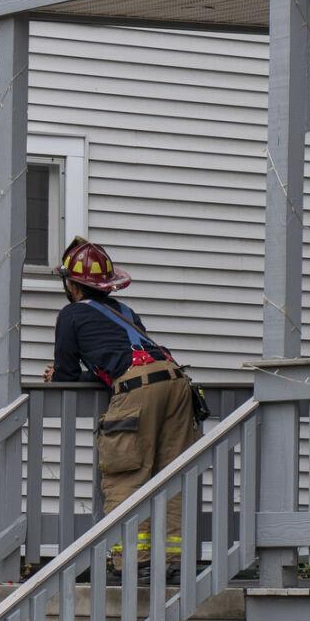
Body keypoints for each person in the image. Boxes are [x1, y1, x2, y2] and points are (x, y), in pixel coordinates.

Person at [43, 237, 197, 566]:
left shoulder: (71, 315)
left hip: (137, 392)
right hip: (176, 383)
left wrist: (56, 375)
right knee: (171, 476)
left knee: (127, 475)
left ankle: (133, 562)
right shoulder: (126, 313)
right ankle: (173, 563)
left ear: (72, 285)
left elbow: (66, 375)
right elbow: (120, 363)